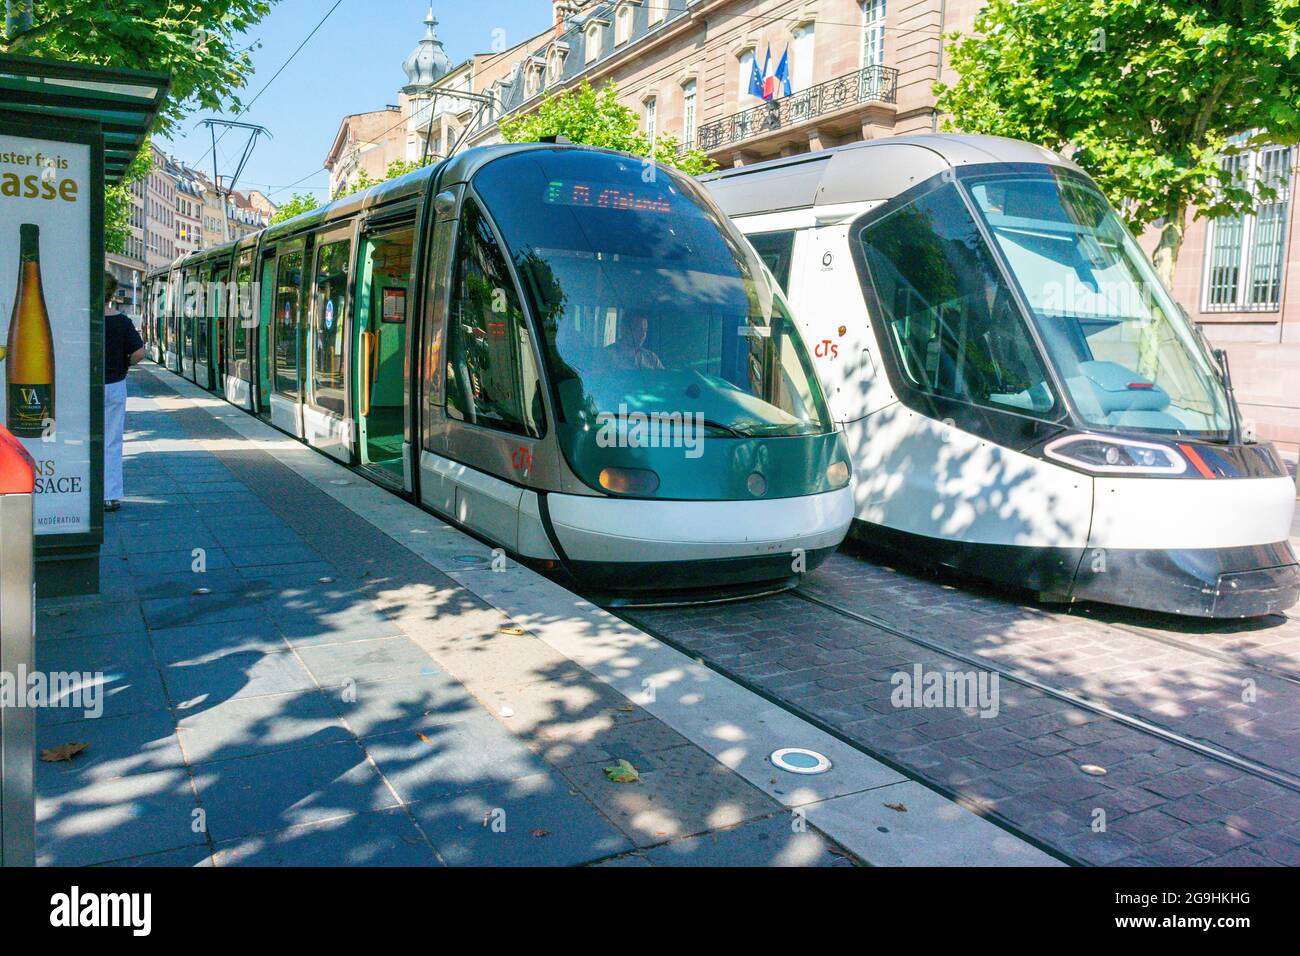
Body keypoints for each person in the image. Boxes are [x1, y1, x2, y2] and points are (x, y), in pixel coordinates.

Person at [103, 271, 144, 512]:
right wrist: (125, 363)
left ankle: (86, 490)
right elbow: (139, 353)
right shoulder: (122, 321)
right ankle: (110, 495)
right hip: (115, 384)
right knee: (112, 439)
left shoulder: (82, 318)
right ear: (111, 293)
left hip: (87, 387)